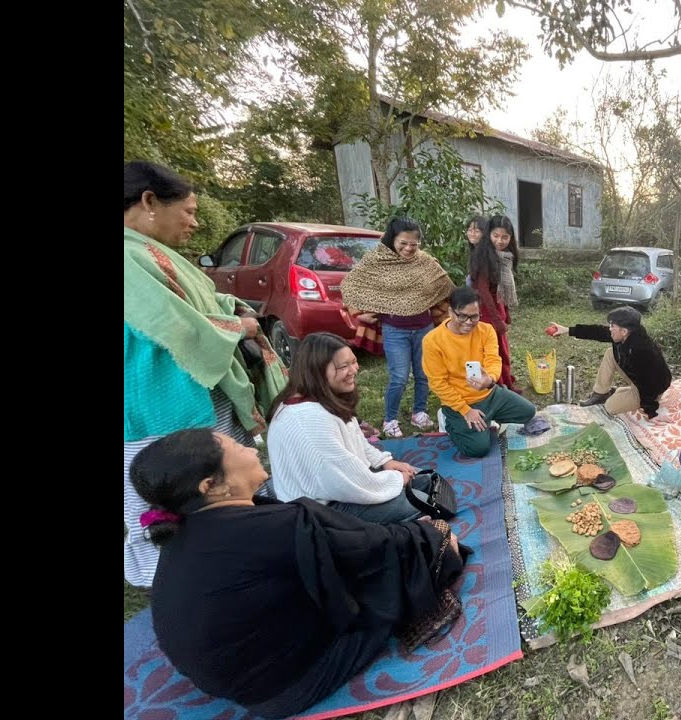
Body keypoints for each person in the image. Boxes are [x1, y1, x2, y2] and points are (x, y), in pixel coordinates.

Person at [131, 428, 467, 719]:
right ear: (212, 486)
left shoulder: (185, 533)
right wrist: (434, 537)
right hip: (289, 685)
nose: (252, 449)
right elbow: (370, 548)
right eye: (238, 449)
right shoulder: (276, 528)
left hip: (243, 679)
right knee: (428, 549)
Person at [123, 160, 288, 589]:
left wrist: (229, 307)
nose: (195, 222)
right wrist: (239, 326)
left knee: (229, 491)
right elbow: (183, 328)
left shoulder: (150, 255)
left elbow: (204, 304)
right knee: (190, 498)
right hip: (162, 410)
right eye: (190, 211)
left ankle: (243, 568)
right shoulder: (128, 261)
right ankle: (205, 589)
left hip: (198, 396)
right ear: (149, 202)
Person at [267, 333, 436, 526]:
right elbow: (345, 481)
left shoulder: (321, 398)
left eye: (354, 362)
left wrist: (385, 463)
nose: (354, 370)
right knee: (420, 502)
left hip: (341, 489)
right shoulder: (309, 419)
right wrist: (395, 480)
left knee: (426, 479)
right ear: (317, 371)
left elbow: (356, 440)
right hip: (320, 511)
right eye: (343, 366)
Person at [340, 216, 454, 438]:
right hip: (395, 330)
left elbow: (444, 285)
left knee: (424, 373)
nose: (409, 248)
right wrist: (361, 314)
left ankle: (419, 412)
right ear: (392, 239)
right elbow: (351, 285)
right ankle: (390, 419)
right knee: (399, 376)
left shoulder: (425, 262)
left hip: (424, 327)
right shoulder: (375, 262)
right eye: (403, 243)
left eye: (414, 244)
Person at [422, 287, 536, 457]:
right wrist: (466, 411)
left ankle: (487, 418)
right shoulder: (432, 341)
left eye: (474, 317)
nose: (469, 322)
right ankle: (449, 420)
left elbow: (493, 359)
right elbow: (437, 383)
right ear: (451, 312)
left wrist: (489, 379)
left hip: (490, 394)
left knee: (529, 412)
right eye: (463, 316)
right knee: (478, 450)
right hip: (462, 403)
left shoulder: (486, 330)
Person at [547, 306, 672, 421]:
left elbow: (648, 383)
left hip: (652, 389)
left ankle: (622, 394)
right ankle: (600, 394)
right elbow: (598, 331)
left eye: (612, 326)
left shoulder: (641, 351)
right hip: (639, 378)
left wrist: (652, 412)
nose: (609, 329)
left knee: (610, 407)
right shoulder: (627, 333)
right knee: (610, 353)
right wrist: (567, 330)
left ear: (623, 331)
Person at [469, 216, 519, 392]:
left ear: (511, 238)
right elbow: (483, 290)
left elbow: (501, 290)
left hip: (497, 309)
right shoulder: (483, 256)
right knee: (494, 353)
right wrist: (498, 320)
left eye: (505, 237)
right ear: (489, 235)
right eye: (496, 236)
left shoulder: (504, 258)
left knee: (503, 351)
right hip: (486, 312)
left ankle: (505, 383)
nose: (500, 241)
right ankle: (499, 387)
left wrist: (506, 313)